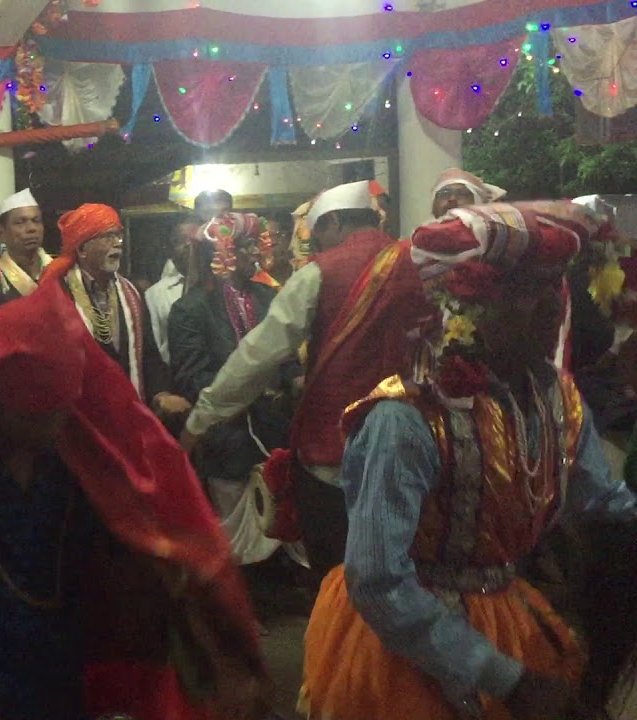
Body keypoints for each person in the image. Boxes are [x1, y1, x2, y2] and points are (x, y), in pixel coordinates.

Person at [0, 282, 270, 720]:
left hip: (52, 662)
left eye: (61, 412)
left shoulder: (81, 446)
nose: (50, 427)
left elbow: (158, 541)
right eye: (32, 417)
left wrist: (222, 652)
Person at [302, 200, 633, 720]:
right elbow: (378, 581)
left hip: (507, 615)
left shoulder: (556, 396)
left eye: (555, 287)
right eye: (527, 290)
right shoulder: (407, 417)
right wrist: (509, 680)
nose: (552, 307)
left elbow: (603, 504)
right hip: (404, 642)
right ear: (470, 306)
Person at [180, 179, 424, 579]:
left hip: (335, 452)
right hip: (411, 445)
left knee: (339, 578)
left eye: (318, 233)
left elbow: (257, 357)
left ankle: (343, 638)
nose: (314, 244)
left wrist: (200, 418)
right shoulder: (416, 261)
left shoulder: (319, 273)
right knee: (402, 569)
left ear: (336, 222)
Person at [169, 213, 295, 566]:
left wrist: (294, 380)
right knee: (234, 538)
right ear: (223, 252)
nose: (256, 253)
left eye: (257, 244)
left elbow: (286, 354)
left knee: (278, 517)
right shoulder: (190, 308)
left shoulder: (268, 295)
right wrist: (240, 395)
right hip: (228, 433)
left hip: (274, 428)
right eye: (247, 246)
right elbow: (193, 376)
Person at [42, 203, 188, 419]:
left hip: (127, 412)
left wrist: (161, 393)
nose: (117, 245)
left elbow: (148, 355)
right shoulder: (58, 295)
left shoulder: (132, 293)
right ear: (82, 249)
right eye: (107, 237)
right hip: (79, 417)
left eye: (118, 236)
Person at [0, 189, 50, 309]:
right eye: (20, 222)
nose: (31, 228)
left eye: (36, 221)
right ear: (2, 232)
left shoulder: (60, 271)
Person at [145, 214, 201, 364]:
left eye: (194, 239)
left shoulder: (219, 288)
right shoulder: (156, 294)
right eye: (180, 241)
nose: (188, 245)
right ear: (169, 251)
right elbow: (154, 347)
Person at [431, 167, 506, 219]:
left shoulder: (494, 240)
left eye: (462, 194)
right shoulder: (424, 238)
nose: (452, 198)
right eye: (445, 193)